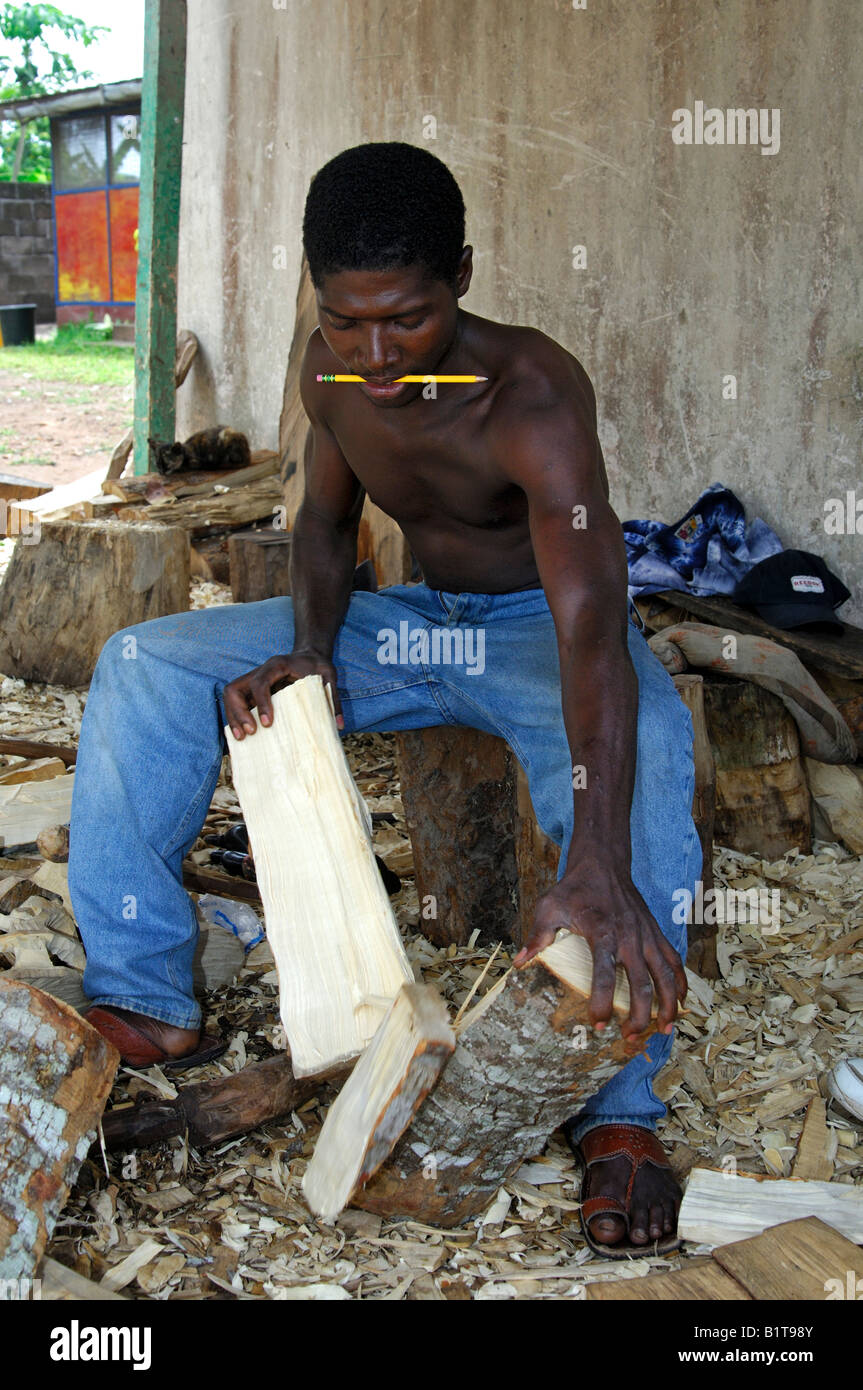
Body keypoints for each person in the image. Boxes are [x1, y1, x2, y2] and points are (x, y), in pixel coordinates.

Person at [70, 141, 700, 1256]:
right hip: (401, 625)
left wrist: (593, 856)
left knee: (643, 757)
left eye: (402, 320)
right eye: (343, 319)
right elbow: (319, 523)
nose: (373, 355)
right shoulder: (334, 369)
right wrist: (313, 650)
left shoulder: (532, 391)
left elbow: (592, 620)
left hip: (535, 638)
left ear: (459, 272)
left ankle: (620, 1110)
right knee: (140, 664)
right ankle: (148, 991)